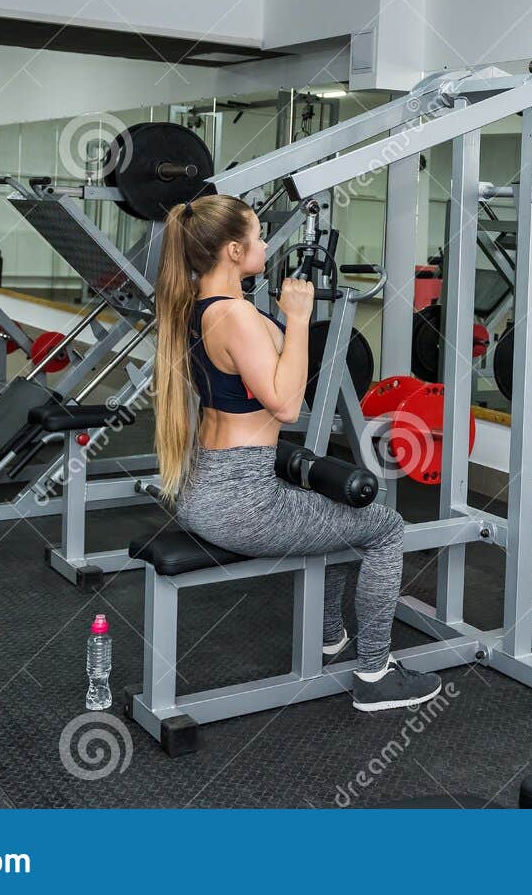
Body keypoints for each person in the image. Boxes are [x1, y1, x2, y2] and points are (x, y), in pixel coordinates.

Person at [152, 193, 441, 712]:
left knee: (338, 512)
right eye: (259, 236)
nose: (266, 244)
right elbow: (286, 405)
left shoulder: (194, 307)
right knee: (385, 528)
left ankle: (329, 636)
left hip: (201, 491)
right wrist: (300, 318)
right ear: (234, 251)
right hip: (242, 504)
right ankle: (375, 675)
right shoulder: (235, 316)